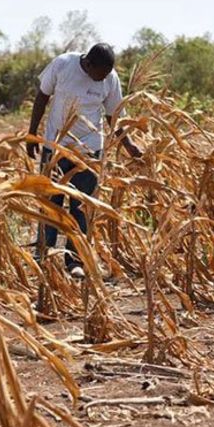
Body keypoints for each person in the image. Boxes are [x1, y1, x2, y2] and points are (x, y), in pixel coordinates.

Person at [27, 43, 142, 278]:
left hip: (90, 150)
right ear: (87, 64)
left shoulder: (110, 79)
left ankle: (74, 261)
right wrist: (32, 135)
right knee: (51, 202)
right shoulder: (62, 64)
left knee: (82, 207)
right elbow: (42, 97)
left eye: (106, 75)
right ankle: (44, 253)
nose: (102, 80)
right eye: (99, 74)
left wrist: (128, 145)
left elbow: (113, 115)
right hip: (56, 145)